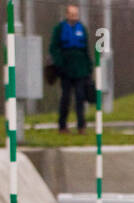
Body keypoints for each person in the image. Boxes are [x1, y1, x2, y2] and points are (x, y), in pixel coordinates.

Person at [50, 5, 91, 134]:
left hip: (80, 69)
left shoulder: (82, 29)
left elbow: (86, 49)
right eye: (72, 14)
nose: (74, 17)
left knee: (80, 97)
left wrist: (89, 67)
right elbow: (53, 48)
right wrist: (59, 63)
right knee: (65, 97)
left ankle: (81, 125)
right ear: (67, 15)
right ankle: (62, 126)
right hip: (65, 69)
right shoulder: (59, 28)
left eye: (76, 14)